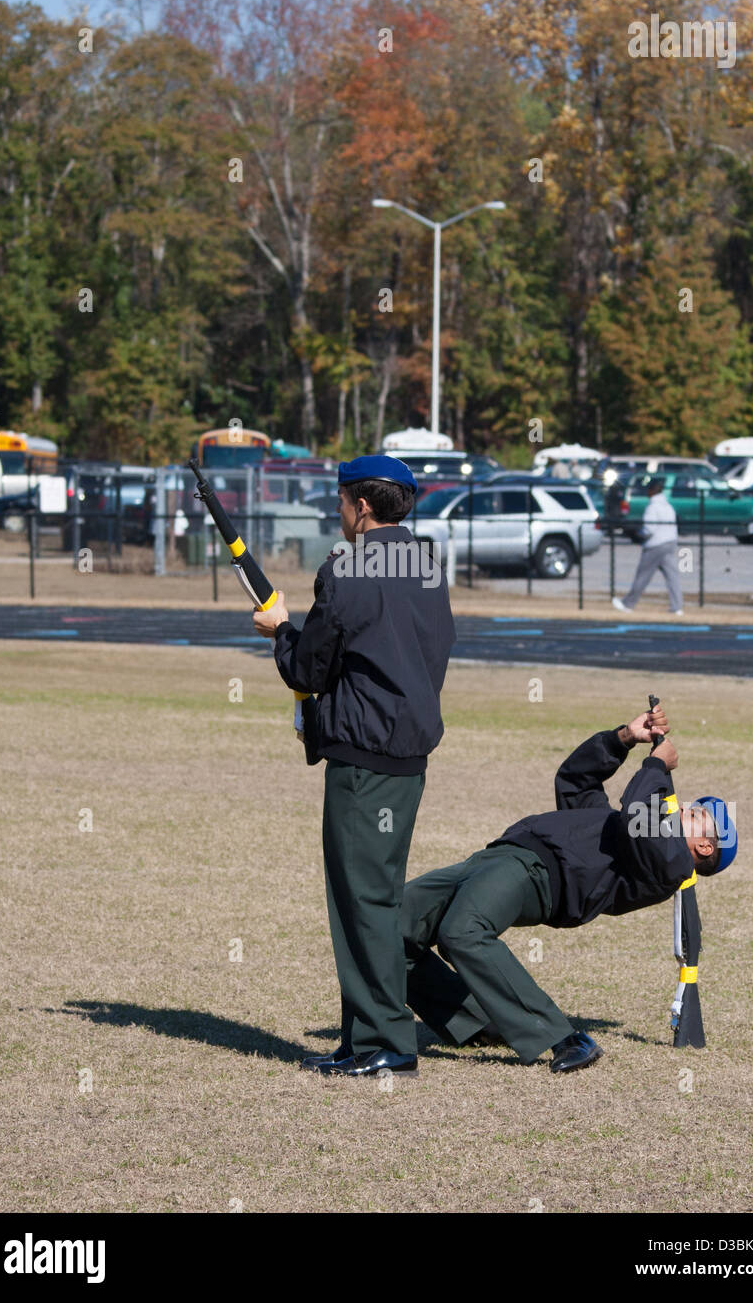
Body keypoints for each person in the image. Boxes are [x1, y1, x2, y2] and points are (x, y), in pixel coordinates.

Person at [253, 454, 455, 1079]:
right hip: (408, 754)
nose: (337, 512)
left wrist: (279, 631)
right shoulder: (425, 565)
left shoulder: (346, 569)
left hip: (364, 760)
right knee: (375, 896)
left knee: (359, 901)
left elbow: (308, 669)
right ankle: (360, 1034)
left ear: (362, 506)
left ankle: (385, 1042)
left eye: (341, 502)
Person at [401, 703, 737, 1073]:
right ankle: (476, 1021)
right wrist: (624, 738)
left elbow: (636, 812)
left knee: (461, 932)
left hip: (537, 874)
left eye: (692, 814)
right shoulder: (624, 829)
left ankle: (563, 1038)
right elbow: (575, 779)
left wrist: (656, 766)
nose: (681, 808)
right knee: (395, 924)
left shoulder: (672, 861)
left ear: (705, 847)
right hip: (496, 857)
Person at [613, 476, 684, 615]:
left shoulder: (653, 507)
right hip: (670, 543)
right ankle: (677, 607)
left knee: (643, 575)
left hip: (655, 545)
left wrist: (637, 534)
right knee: (672, 577)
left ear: (652, 491)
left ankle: (628, 604)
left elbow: (649, 529)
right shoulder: (668, 506)